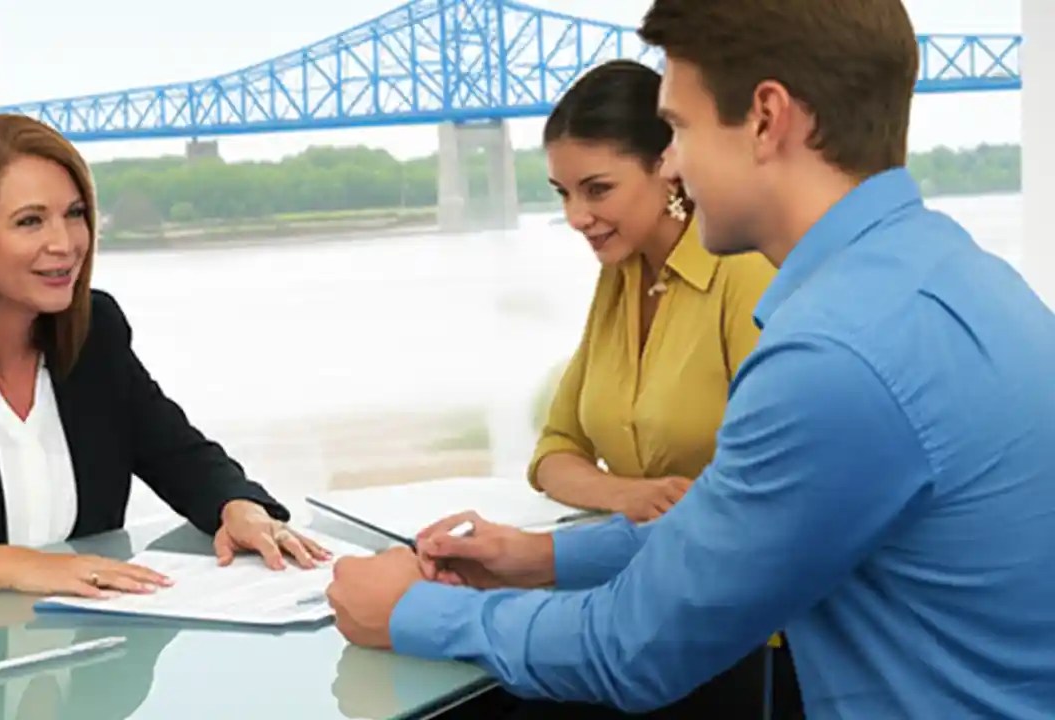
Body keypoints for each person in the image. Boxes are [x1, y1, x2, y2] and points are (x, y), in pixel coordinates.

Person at [325, 1, 1055, 718]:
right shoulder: (963, 275)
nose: (669, 160)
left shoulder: (834, 356)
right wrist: (542, 558)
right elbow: (737, 523)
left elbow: (630, 649)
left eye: (676, 127)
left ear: (766, 119)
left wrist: (410, 612)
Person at [0, 113, 328, 604]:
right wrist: (12, 566)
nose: (65, 243)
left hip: (87, 660)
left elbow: (181, 456)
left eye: (74, 214)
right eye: (30, 221)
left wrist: (237, 506)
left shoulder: (95, 332)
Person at [526, 59, 785, 716]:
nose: (577, 216)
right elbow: (554, 451)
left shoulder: (745, 275)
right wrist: (629, 494)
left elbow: (773, 497)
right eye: (561, 193)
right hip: (646, 608)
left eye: (597, 189)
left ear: (667, 167)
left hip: (753, 638)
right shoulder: (620, 276)